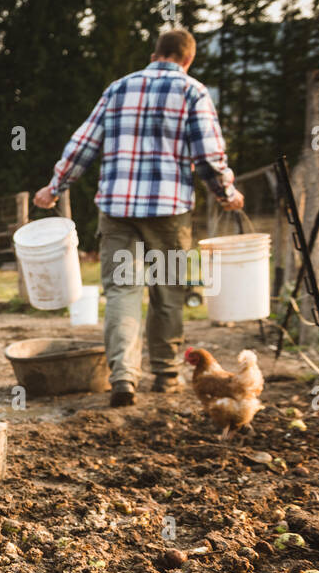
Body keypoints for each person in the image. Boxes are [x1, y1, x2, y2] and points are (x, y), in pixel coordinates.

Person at [35, 28, 244, 407]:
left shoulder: (118, 89)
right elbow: (208, 158)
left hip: (117, 211)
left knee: (122, 291)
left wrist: (54, 187)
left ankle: (123, 380)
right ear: (188, 59)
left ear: (154, 55)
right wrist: (227, 195)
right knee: (167, 291)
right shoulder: (192, 91)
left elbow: (83, 145)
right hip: (170, 213)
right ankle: (165, 376)